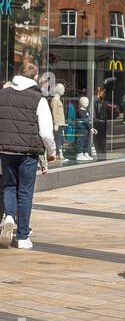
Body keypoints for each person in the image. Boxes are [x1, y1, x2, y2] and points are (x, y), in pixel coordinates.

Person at [0, 63, 58, 250]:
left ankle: (9, 215)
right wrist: (51, 152)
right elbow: (46, 133)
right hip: (28, 153)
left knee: (9, 186)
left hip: (6, 150)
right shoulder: (38, 98)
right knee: (25, 193)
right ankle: (23, 236)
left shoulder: (3, 94)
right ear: (35, 78)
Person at [50, 83, 67, 163]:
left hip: (61, 124)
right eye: (63, 88)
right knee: (58, 140)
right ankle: (57, 156)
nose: (64, 90)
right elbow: (54, 112)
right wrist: (56, 123)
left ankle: (59, 156)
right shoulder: (55, 100)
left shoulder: (58, 100)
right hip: (58, 124)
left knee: (60, 140)